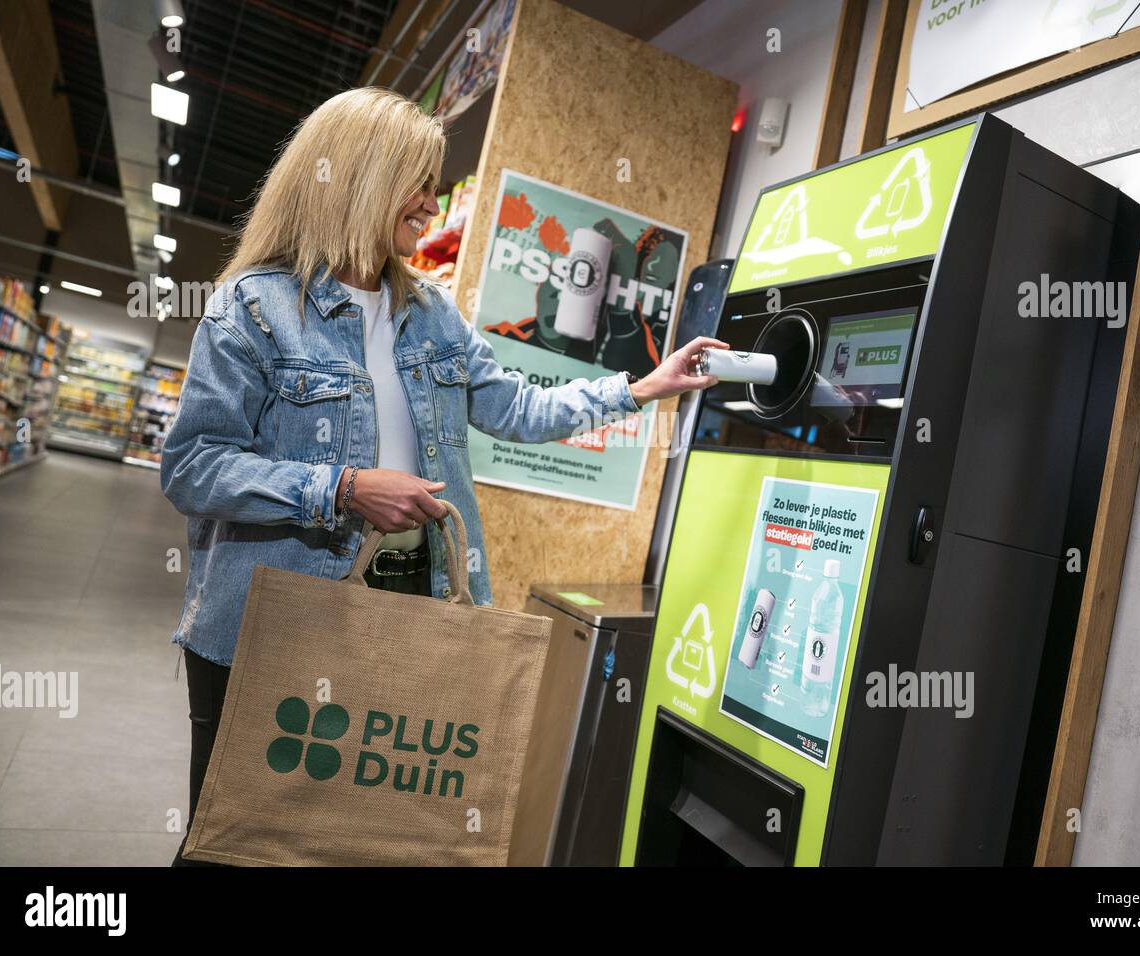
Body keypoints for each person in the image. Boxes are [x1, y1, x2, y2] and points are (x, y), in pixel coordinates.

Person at [158, 87, 725, 864]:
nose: (430, 204)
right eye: (416, 183)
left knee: (368, 842)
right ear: (357, 177)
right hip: (269, 627)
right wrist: (345, 490)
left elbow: (518, 408)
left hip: (404, 619)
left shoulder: (430, 311)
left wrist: (641, 386)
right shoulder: (253, 310)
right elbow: (192, 466)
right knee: (243, 839)